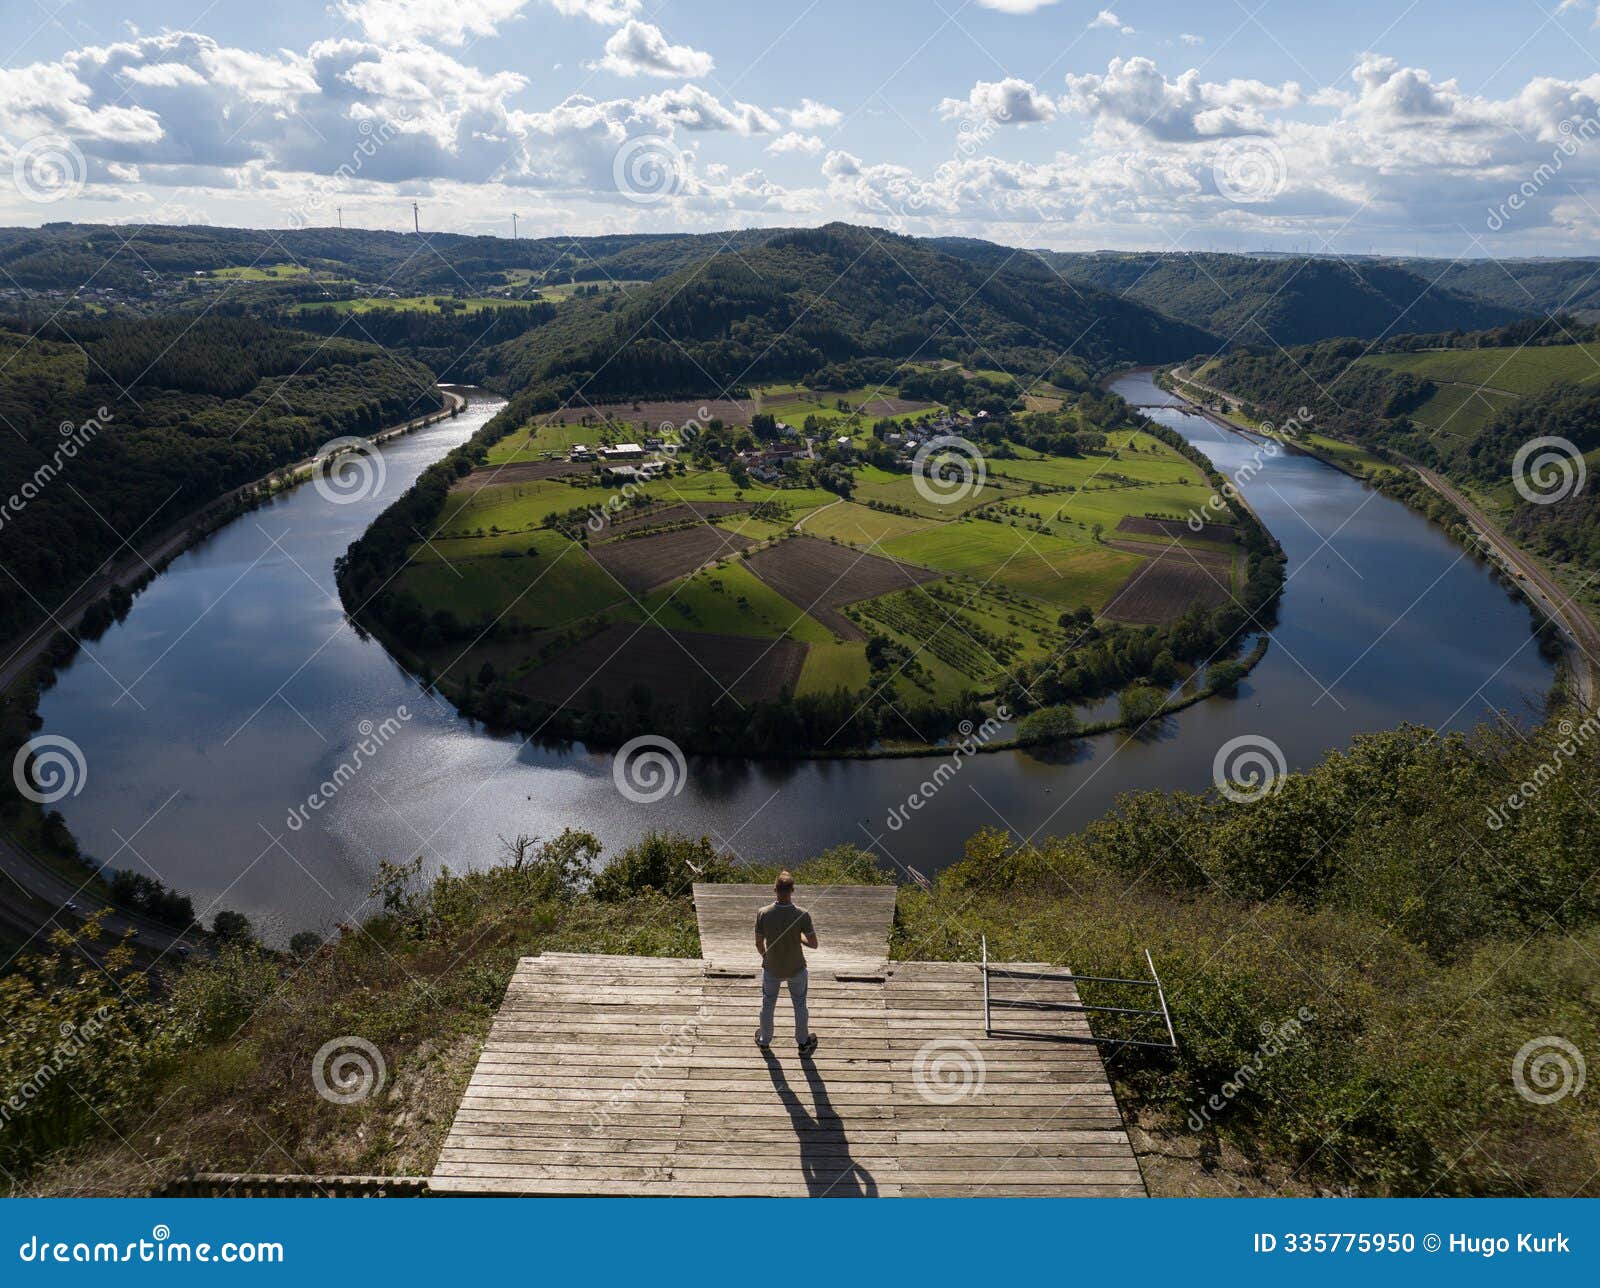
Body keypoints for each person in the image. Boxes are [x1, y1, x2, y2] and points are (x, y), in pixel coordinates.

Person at [755, 871, 818, 1056]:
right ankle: (802, 1042)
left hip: (772, 967)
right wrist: (799, 939)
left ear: (775, 889)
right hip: (796, 967)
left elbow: (758, 943)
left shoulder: (763, 914)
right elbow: (814, 944)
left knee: (768, 1003)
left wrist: (765, 957)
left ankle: (764, 1041)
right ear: (792, 890)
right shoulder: (802, 915)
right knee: (799, 1004)